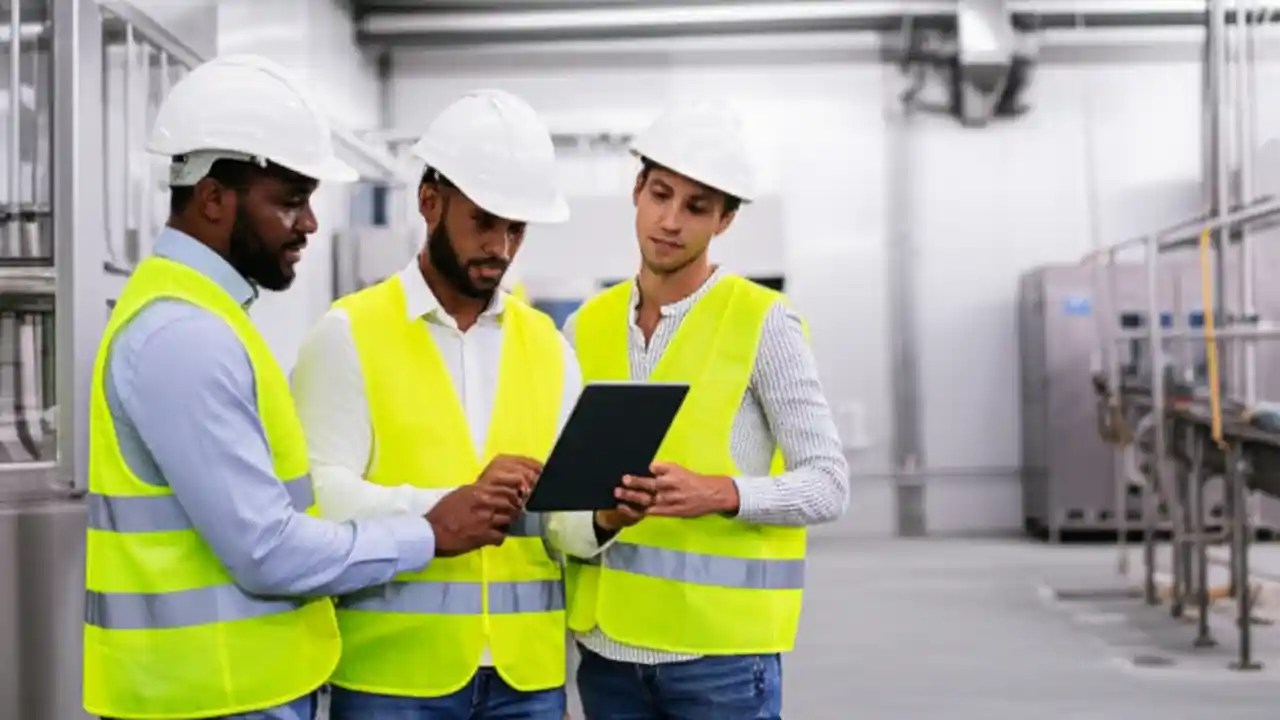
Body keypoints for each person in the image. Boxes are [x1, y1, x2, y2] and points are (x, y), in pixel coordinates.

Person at [81, 56, 518, 720]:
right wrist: (428, 532)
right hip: (211, 698)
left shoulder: (210, 317)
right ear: (213, 200)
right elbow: (266, 551)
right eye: (289, 201)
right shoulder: (184, 336)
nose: (310, 223)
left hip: (233, 691)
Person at [290, 88, 656, 720]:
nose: (501, 248)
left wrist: (605, 516)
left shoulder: (547, 345)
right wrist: (443, 506)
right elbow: (315, 499)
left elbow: (561, 523)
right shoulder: (347, 333)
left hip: (527, 680)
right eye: (484, 222)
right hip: (394, 679)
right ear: (430, 202)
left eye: (516, 228)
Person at [554, 101, 851, 719]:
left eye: (696, 207)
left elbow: (829, 484)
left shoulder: (763, 323)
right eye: (660, 195)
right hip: (606, 655)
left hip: (721, 663)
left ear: (725, 219)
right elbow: (564, 490)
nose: (670, 221)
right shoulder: (585, 328)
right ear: (636, 190)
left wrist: (721, 492)